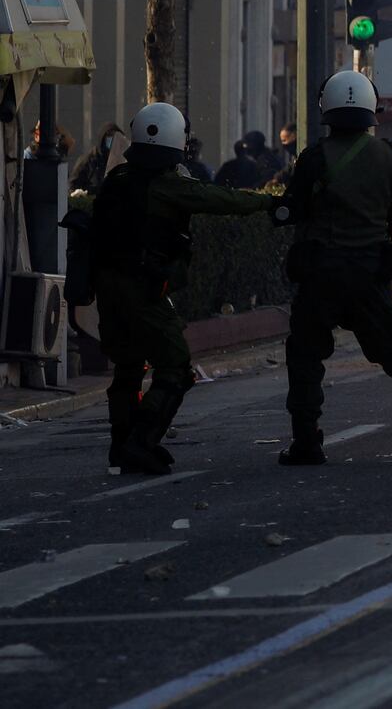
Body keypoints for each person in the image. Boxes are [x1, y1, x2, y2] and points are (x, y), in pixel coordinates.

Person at [276, 71, 392, 466]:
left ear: (326, 108)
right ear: (371, 110)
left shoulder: (313, 157)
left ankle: (306, 442)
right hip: (368, 275)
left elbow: (291, 209)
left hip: (321, 275)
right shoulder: (389, 155)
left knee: (306, 356)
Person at [89, 102, 285, 474]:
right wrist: (270, 203)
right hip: (143, 289)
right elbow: (221, 200)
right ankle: (140, 441)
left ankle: (123, 445)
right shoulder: (168, 186)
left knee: (128, 368)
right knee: (176, 368)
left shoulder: (116, 180)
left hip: (107, 285)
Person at [70, 123, 127, 194]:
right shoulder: (89, 160)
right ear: (103, 139)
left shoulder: (123, 159)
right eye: (110, 137)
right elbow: (73, 184)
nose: (113, 142)